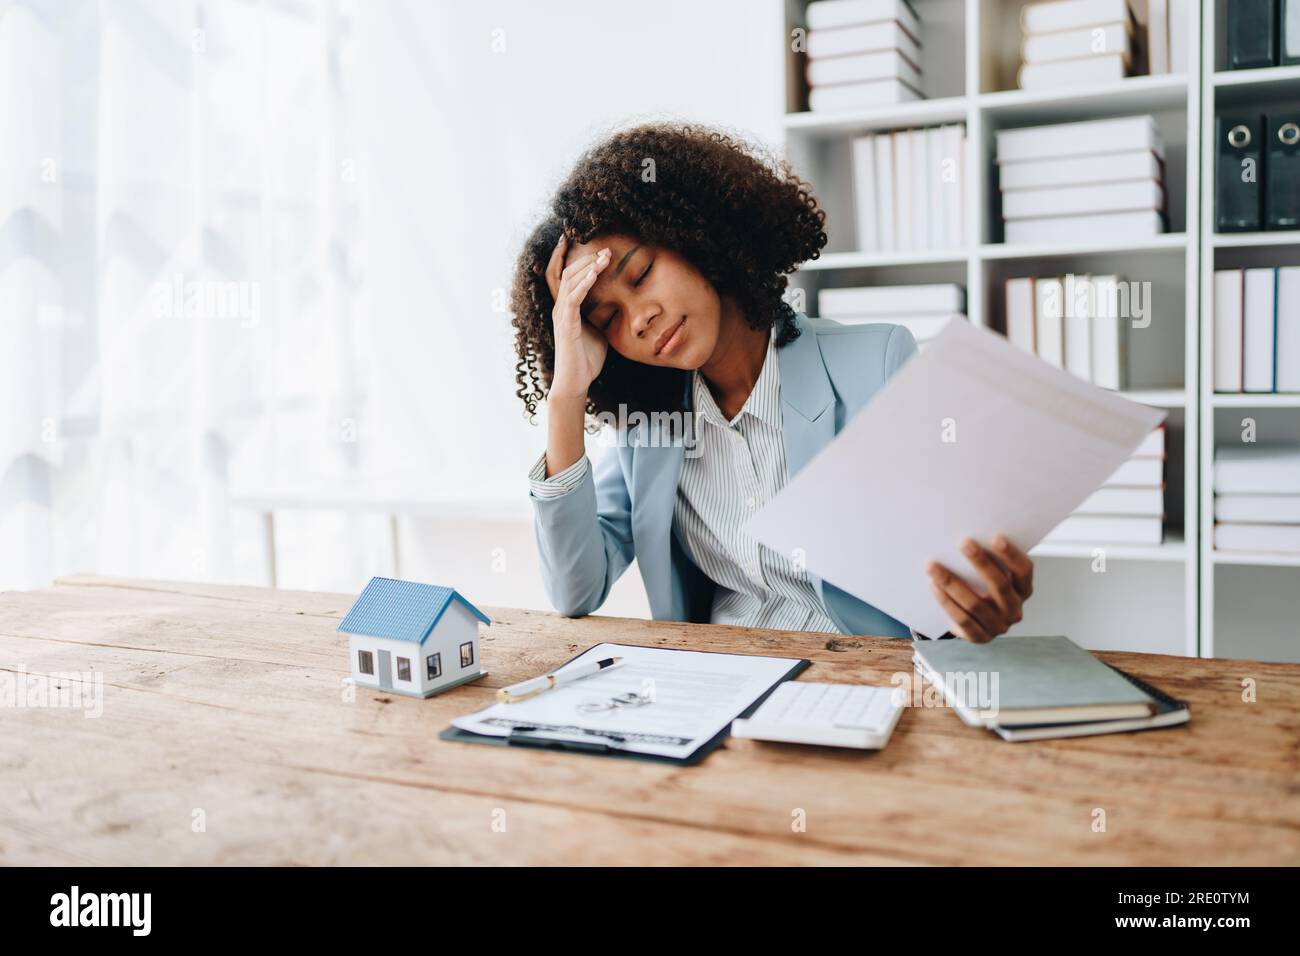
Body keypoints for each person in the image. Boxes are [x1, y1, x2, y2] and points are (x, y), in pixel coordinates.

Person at [509, 123, 1032, 642]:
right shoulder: (650, 425)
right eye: (607, 320)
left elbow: (950, 573)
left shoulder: (876, 363)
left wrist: (974, 604)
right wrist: (567, 398)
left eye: (641, 274)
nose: (638, 320)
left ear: (696, 237)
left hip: (858, 682)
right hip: (719, 686)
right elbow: (575, 588)